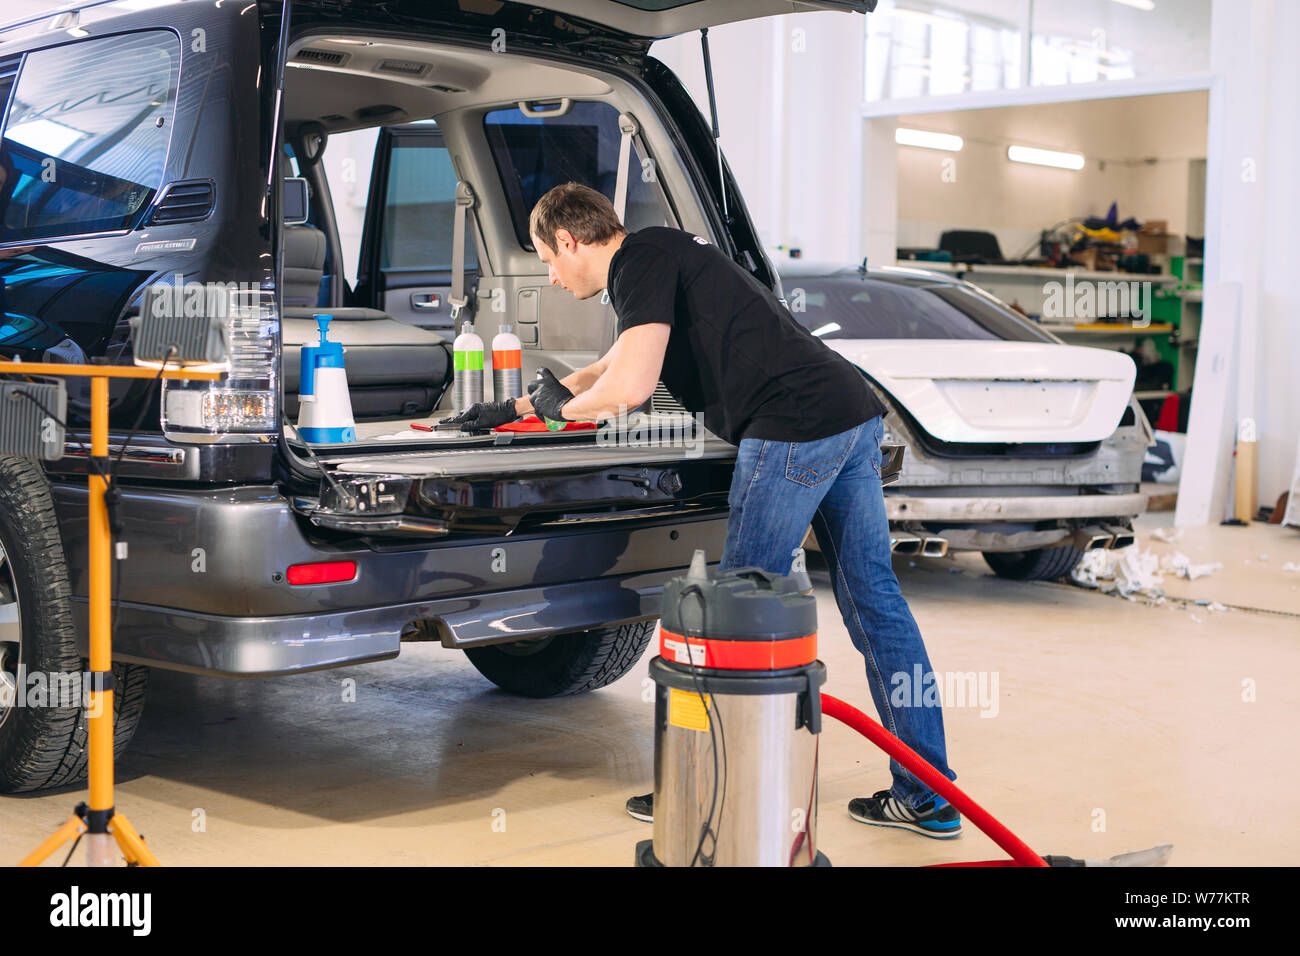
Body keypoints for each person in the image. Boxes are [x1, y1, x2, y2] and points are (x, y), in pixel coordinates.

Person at [443, 182, 961, 839]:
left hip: (793, 428)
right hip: (849, 414)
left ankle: (707, 791)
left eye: (547, 258)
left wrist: (551, 419)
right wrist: (509, 411)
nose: (548, 274)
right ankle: (930, 794)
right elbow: (608, 366)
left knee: (735, 614)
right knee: (876, 603)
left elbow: (627, 390)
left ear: (570, 241)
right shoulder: (659, 256)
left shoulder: (638, 264)